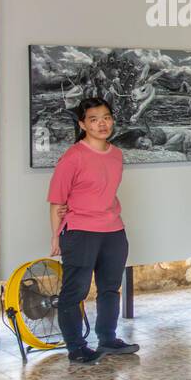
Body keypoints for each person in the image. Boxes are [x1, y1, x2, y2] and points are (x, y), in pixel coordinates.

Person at [47, 97, 139, 365]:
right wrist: (56, 237)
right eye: (94, 119)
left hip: (113, 230)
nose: (102, 123)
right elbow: (57, 201)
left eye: (106, 117)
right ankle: (76, 347)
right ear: (82, 124)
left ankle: (108, 339)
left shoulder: (116, 154)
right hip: (80, 232)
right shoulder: (72, 157)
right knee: (74, 292)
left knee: (110, 288)